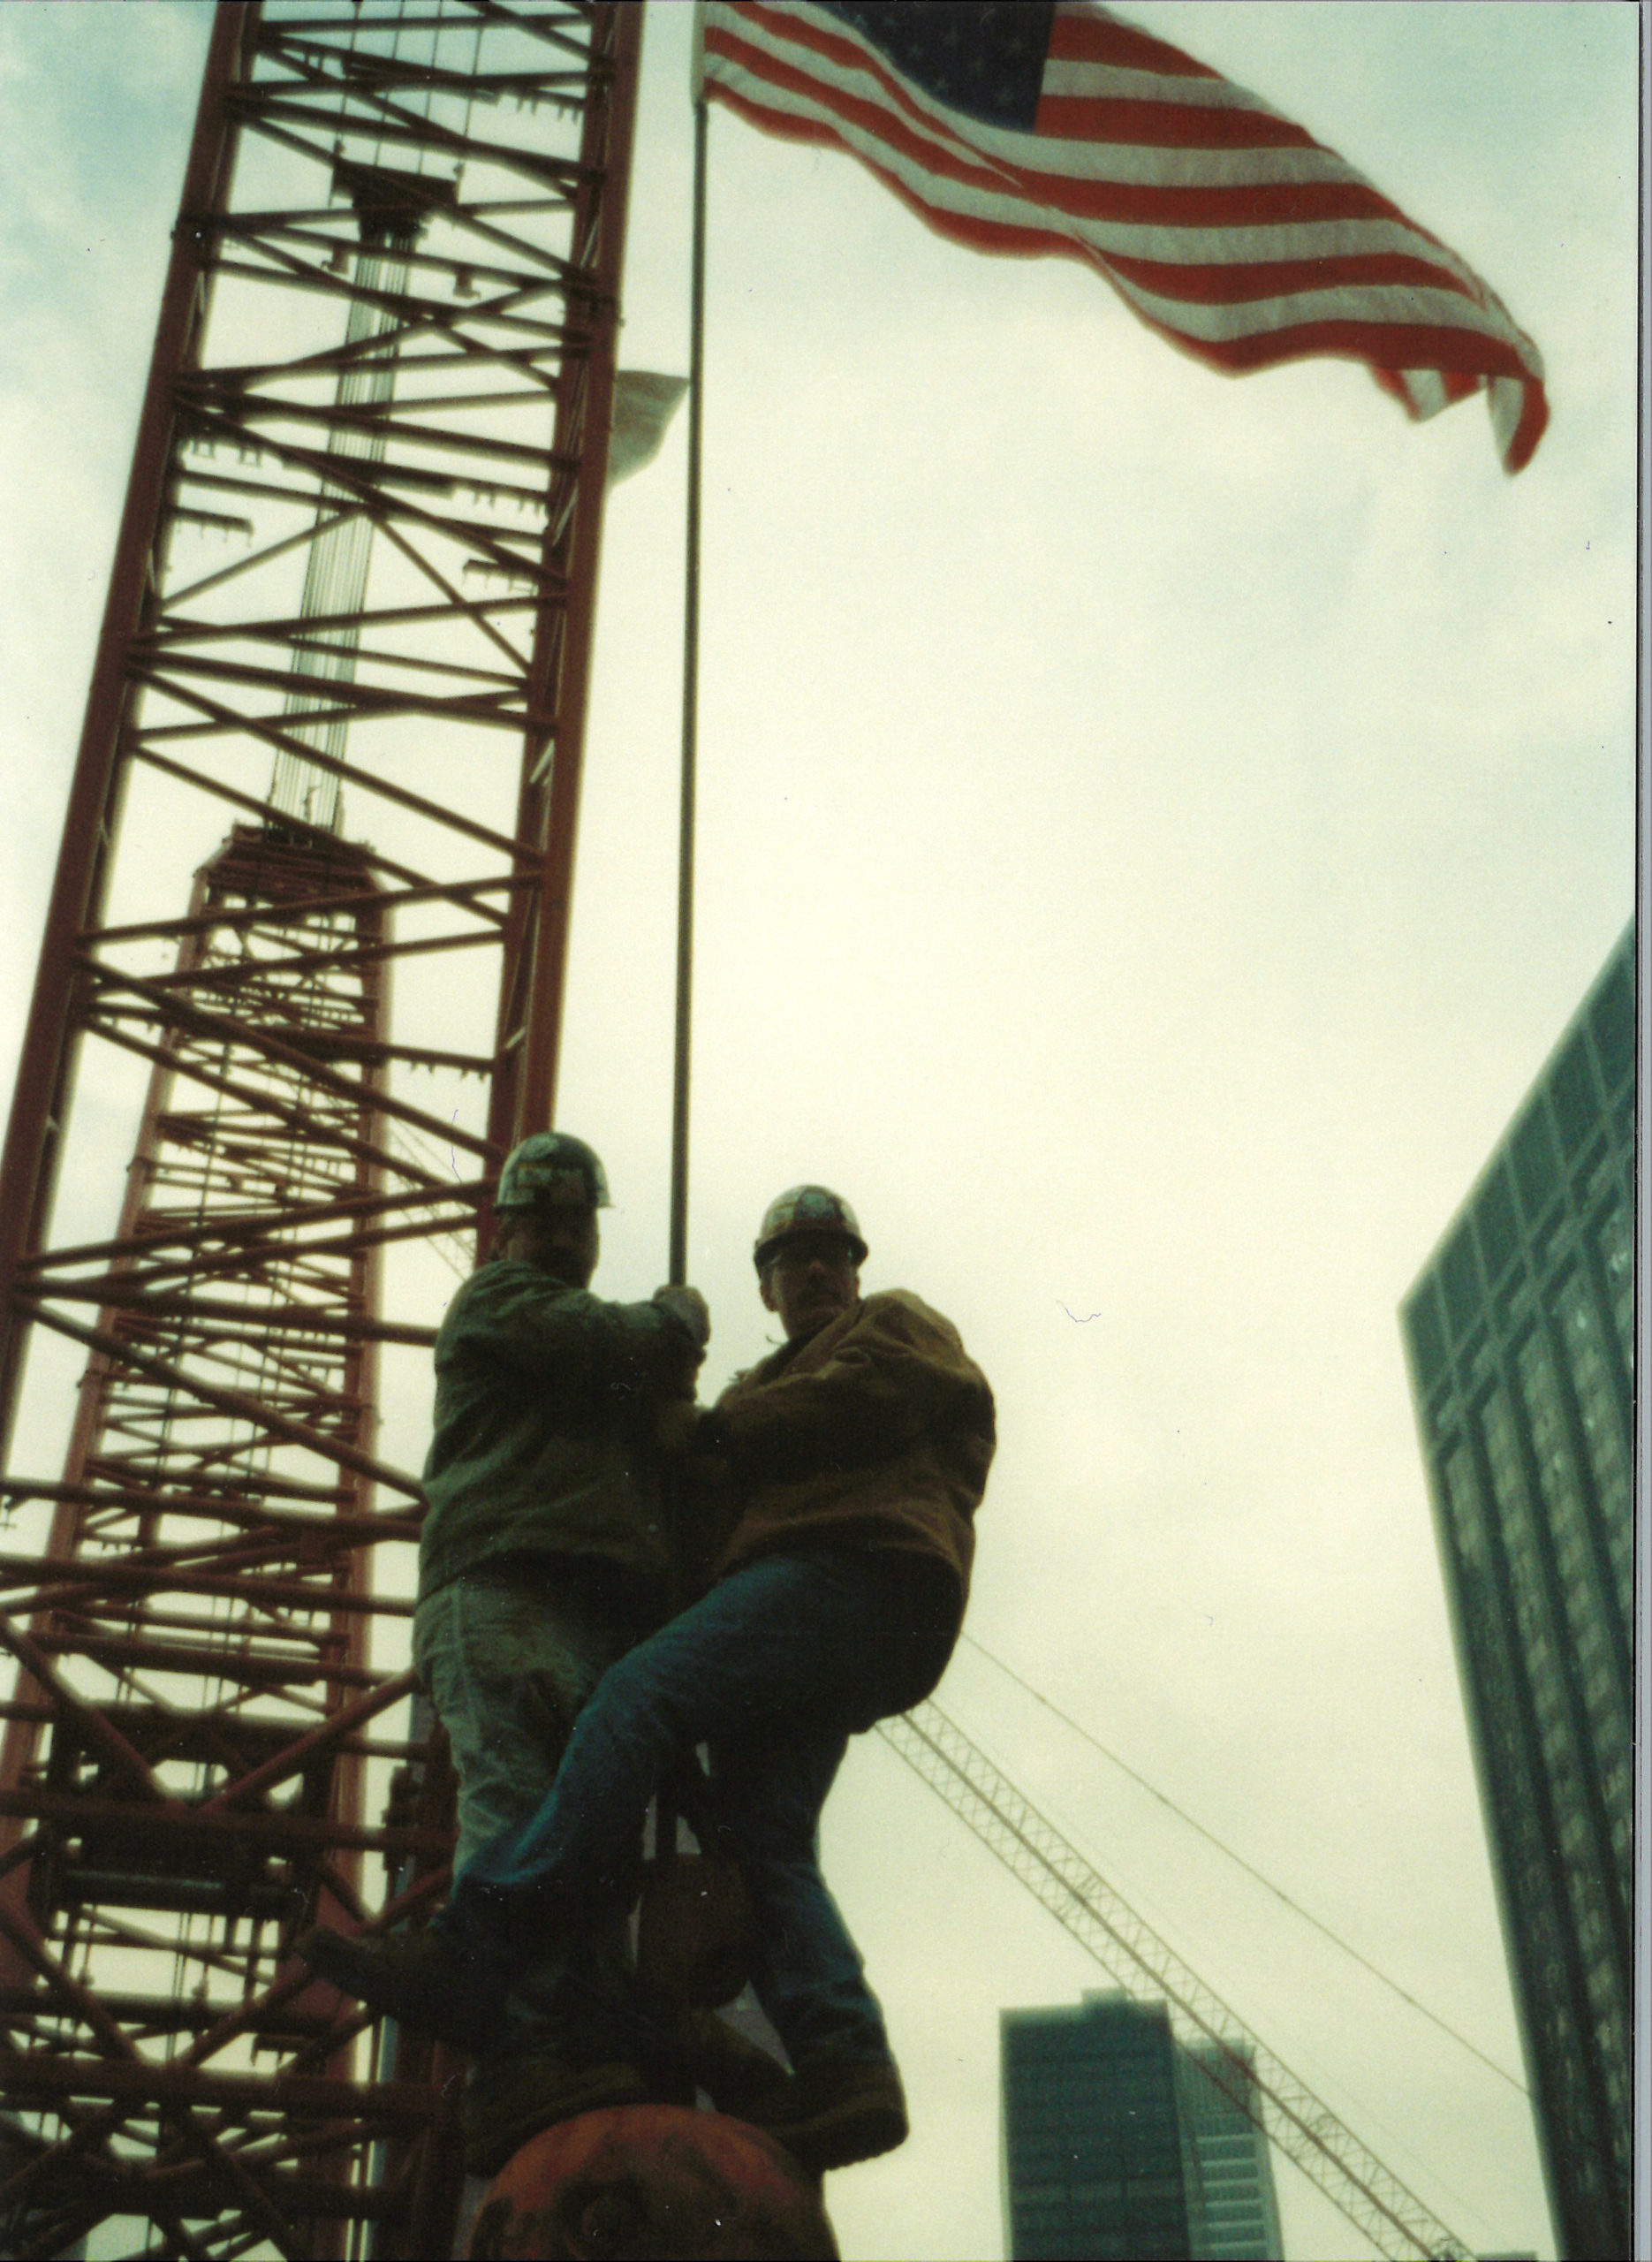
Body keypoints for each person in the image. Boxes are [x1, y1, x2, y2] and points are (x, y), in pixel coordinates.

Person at [305, 1184, 994, 2177]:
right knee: (763, 1834)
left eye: (827, 1254)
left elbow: (862, 1396)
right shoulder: (761, 1384)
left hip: (856, 1568)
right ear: (765, 1285)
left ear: (854, 1266)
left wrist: (712, 1430)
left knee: (637, 1696)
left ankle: (483, 1931)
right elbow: (701, 1506)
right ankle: (844, 2063)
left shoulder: (895, 1325)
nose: (811, 1271)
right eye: (790, 1259)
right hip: (829, 1622)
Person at [302, 1131, 709, 2174]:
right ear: (507, 1227)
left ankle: (567, 2026)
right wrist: (672, 1324)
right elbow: (624, 1344)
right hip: (499, 1587)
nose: (568, 1234)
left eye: (581, 1219)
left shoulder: (583, 1351)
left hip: (582, 1608)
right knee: (518, 1804)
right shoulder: (503, 1306)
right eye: (550, 1217)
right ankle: (516, 2041)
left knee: (583, 1837)